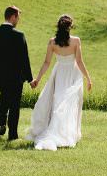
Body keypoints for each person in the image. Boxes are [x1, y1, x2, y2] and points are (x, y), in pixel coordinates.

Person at [25, 14, 92, 151]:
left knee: (58, 103)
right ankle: (65, 133)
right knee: (70, 103)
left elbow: (47, 63)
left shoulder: (52, 42)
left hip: (59, 73)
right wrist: (88, 78)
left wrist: (38, 79)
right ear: (70, 27)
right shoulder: (76, 41)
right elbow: (79, 62)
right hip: (73, 74)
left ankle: (63, 132)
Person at [0, 5, 33, 141]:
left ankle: (1, 123)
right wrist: (30, 79)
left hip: (1, 77)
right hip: (17, 78)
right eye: (18, 17)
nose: (19, 20)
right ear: (13, 17)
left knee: (4, 99)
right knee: (15, 105)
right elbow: (25, 60)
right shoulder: (19, 35)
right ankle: (12, 135)